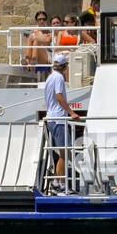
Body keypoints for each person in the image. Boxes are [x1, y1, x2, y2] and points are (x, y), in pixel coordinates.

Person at [44, 52, 82, 191]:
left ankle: (59, 182)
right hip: (59, 119)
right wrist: (71, 112)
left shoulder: (49, 78)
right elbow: (59, 97)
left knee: (63, 152)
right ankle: (57, 183)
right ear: (64, 66)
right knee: (64, 153)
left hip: (52, 118)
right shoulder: (59, 78)